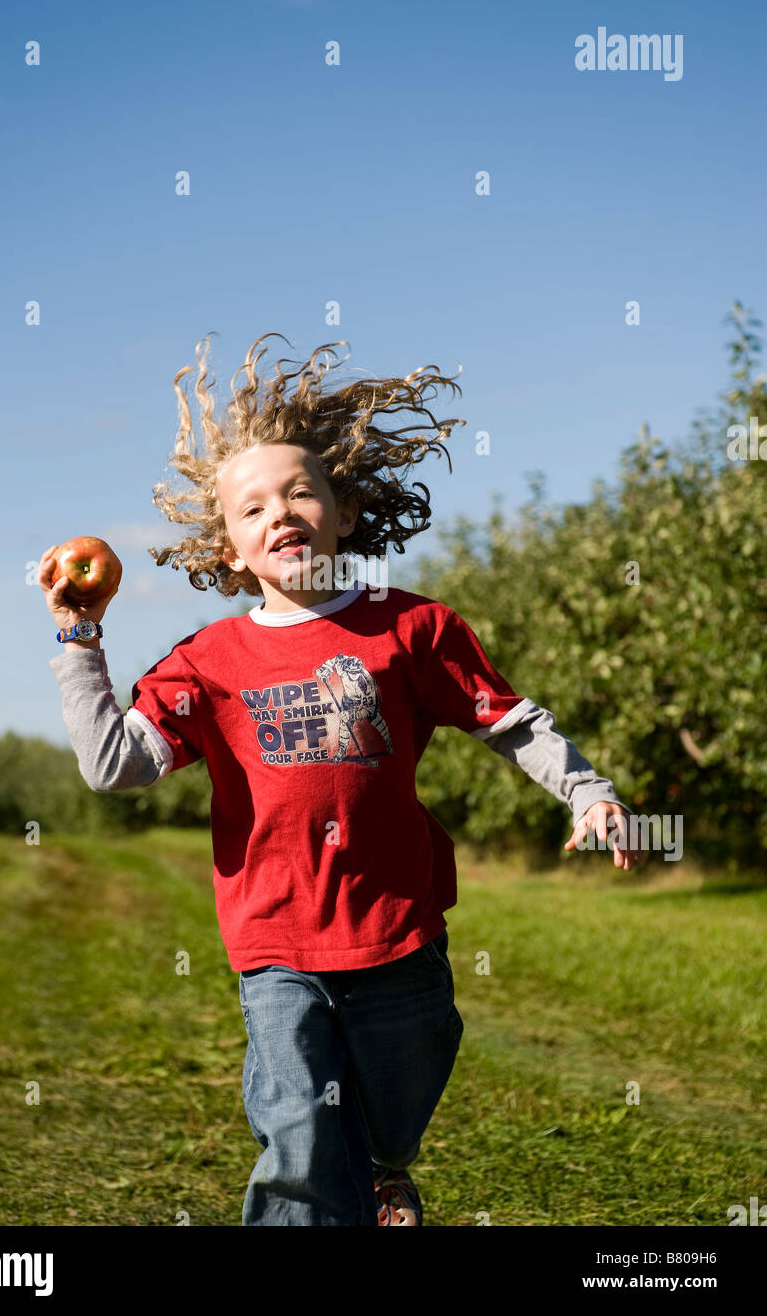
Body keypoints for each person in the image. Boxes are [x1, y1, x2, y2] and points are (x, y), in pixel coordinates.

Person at [41, 333, 639, 1227]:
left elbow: (509, 722)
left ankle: (386, 1169)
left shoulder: (413, 629)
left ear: (344, 511)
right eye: (251, 508)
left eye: (300, 492)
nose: (278, 511)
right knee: (299, 1140)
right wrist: (79, 639)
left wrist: (588, 792)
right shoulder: (208, 660)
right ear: (231, 548)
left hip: (398, 930)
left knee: (394, 1107)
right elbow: (112, 764)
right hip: (275, 944)